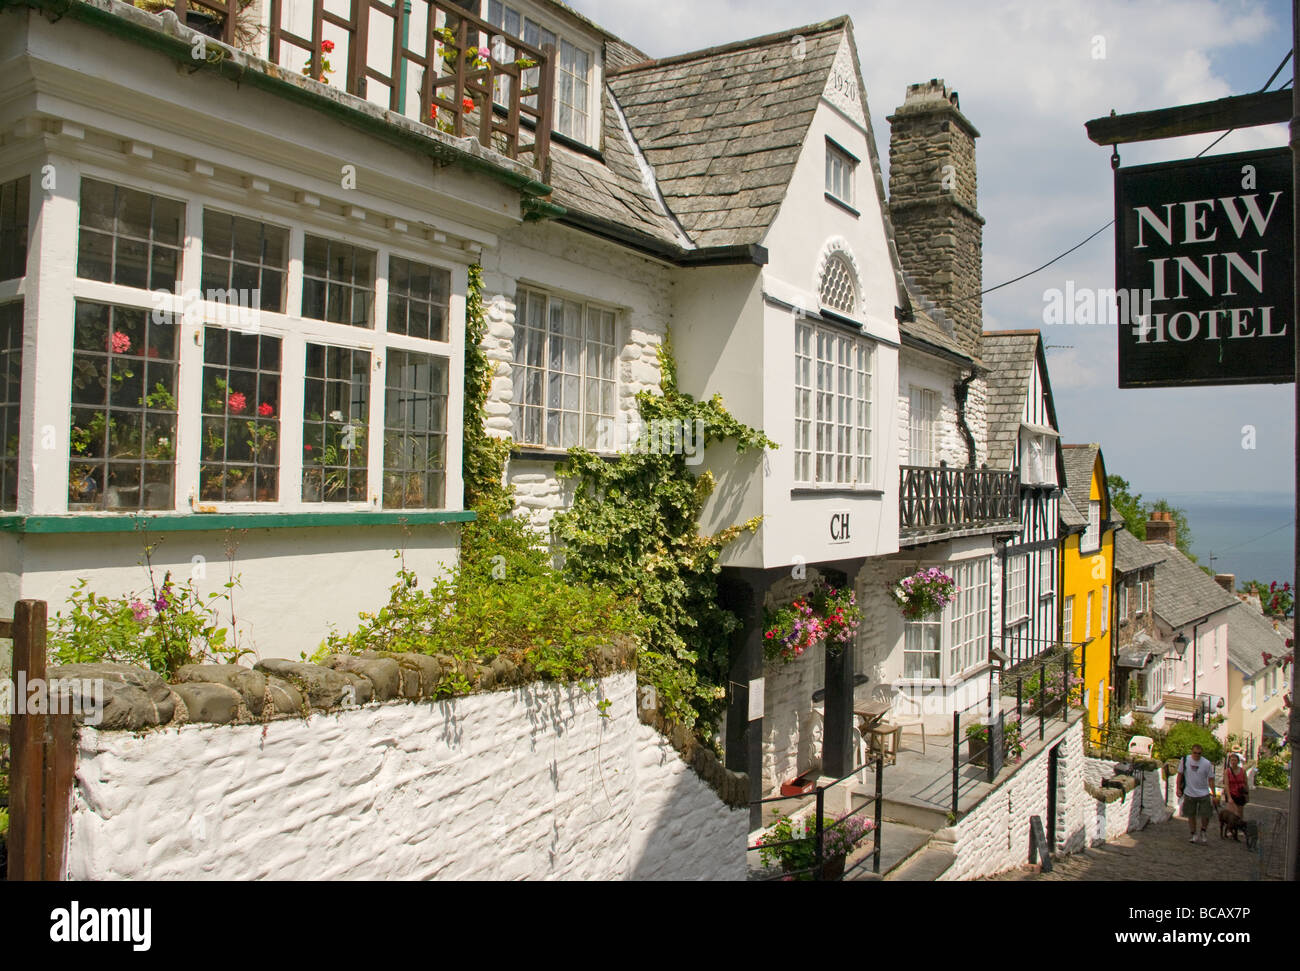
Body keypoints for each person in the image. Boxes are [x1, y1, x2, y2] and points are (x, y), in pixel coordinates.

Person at [1176, 743, 1217, 844]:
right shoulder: (1185, 760)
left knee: (1206, 814)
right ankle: (1193, 833)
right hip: (1189, 792)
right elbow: (1180, 775)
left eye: (1199, 753)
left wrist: (1214, 794)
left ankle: (1203, 830)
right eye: (1195, 753)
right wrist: (1178, 789)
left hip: (1203, 792)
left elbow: (1211, 779)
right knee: (1191, 815)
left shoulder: (1206, 763)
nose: (1197, 755)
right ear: (1192, 752)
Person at [1222, 751, 1249, 818]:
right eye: (1232, 760)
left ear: (1238, 761)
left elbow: (1245, 783)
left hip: (1240, 793)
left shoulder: (1242, 771)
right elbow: (1226, 785)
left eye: (1235, 760)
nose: (1233, 762)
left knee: (1240, 813)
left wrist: (1247, 794)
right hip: (1231, 793)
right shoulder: (1227, 771)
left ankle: (1238, 826)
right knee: (1231, 813)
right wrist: (1229, 797)